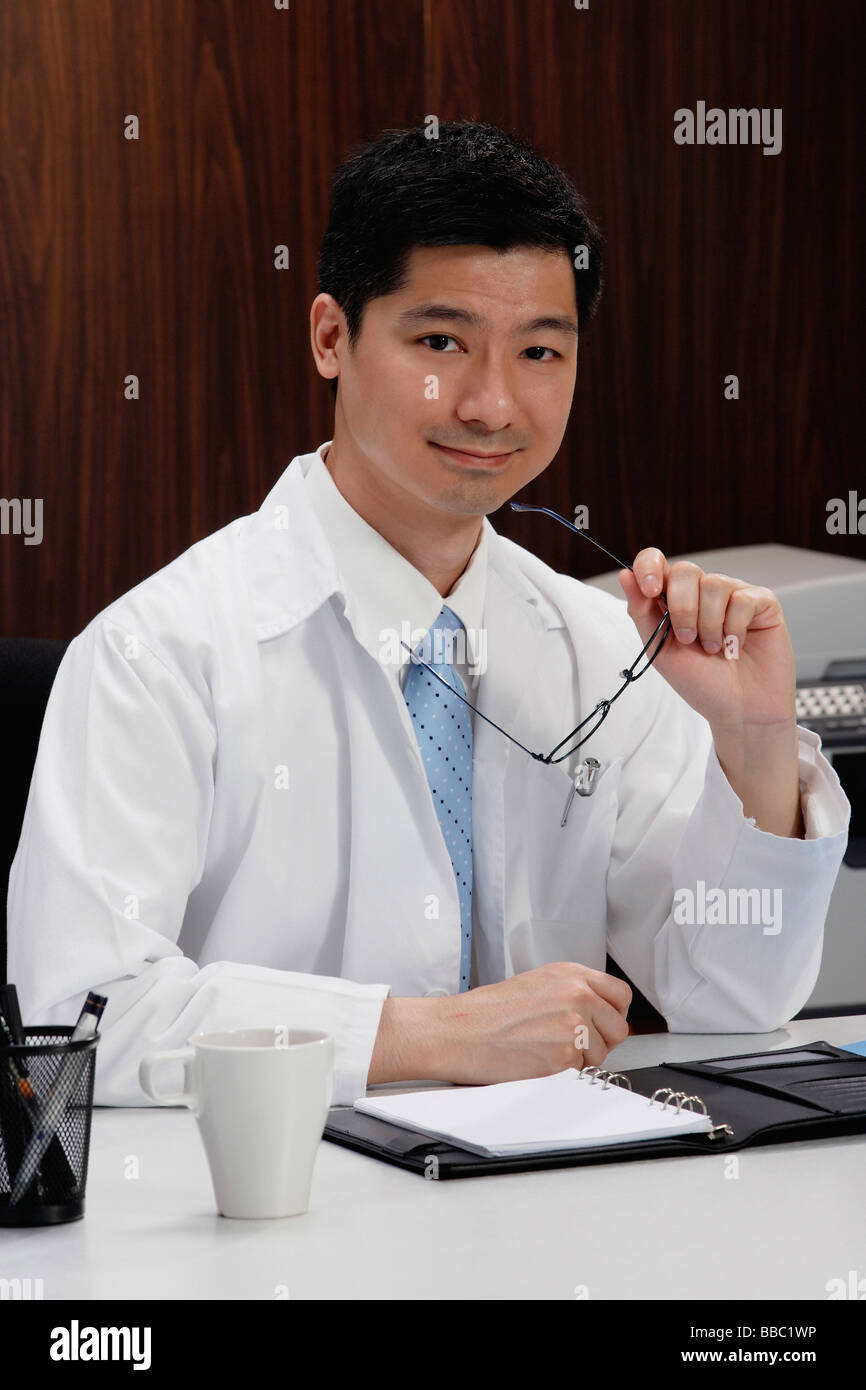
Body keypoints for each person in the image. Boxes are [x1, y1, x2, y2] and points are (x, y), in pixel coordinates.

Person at [8, 121, 850, 1107]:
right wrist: (425, 1034)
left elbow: (735, 996)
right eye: (439, 342)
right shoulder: (159, 651)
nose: (491, 404)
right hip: (248, 1228)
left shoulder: (595, 649)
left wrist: (749, 743)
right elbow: (73, 1019)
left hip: (538, 1223)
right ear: (331, 336)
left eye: (539, 350)